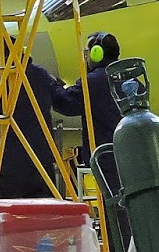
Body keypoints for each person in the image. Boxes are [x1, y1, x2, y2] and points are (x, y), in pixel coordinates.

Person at [0, 46, 63, 199]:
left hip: (7, 166)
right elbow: (64, 103)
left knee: (5, 215)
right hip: (41, 163)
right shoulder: (41, 75)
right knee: (45, 214)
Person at [51, 31, 124, 163]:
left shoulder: (93, 81)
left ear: (96, 53)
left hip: (104, 161)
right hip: (129, 159)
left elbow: (67, 104)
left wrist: (52, 85)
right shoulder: (132, 79)